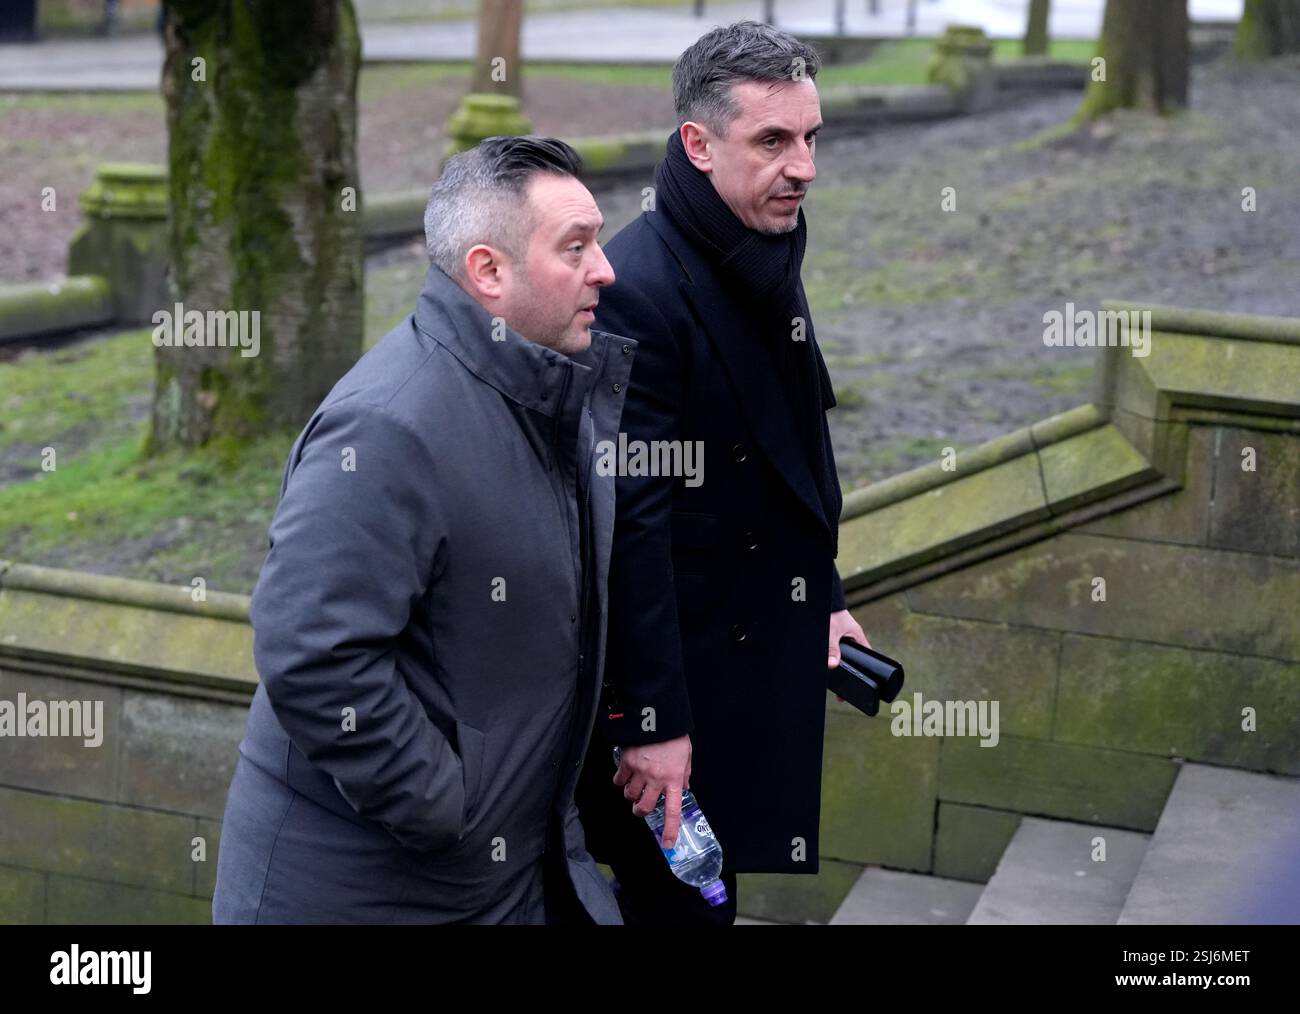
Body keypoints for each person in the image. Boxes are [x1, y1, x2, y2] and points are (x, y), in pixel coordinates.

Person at [213, 136, 631, 924]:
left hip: (505, 881)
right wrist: (445, 808)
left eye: (598, 241)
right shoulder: (386, 428)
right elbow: (312, 650)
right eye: (575, 247)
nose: (605, 269)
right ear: (487, 272)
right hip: (372, 896)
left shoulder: (547, 391)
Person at [576, 21, 870, 925]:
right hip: (668, 702)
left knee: (714, 899)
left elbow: (789, 449)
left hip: (745, 654)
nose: (804, 167)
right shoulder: (634, 289)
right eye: (773, 141)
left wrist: (821, 593)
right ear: (698, 145)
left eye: (811, 138)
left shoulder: (759, 240)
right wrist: (652, 725)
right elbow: (628, 529)